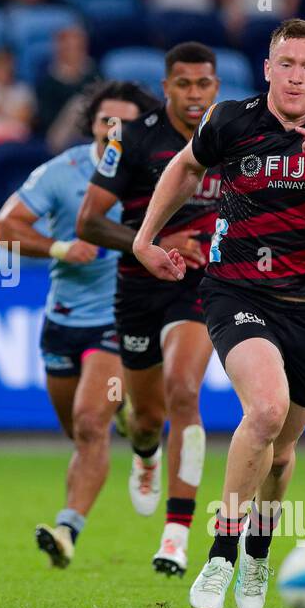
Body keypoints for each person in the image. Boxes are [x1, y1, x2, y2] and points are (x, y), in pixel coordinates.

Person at [131, 18, 305, 608]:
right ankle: (221, 553)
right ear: (267, 69)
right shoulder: (231, 119)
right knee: (264, 409)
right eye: (286, 64)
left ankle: (258, 551)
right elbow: (183, 168)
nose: (296, 77)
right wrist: (145, 238)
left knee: (281, 454)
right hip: (236, 292)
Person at [0, 80, 158, 567]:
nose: (115, 129)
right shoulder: (62, 173)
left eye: (125, 122)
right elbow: (4, 228)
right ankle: (141, 433)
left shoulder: (156, 174)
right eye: (107, 120)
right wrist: (61, 248)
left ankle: (67, 531)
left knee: (90, 422)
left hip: (120, 317)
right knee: (81, 431)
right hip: (63, 320)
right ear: (92, 123)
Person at [76, 42, 224, 576]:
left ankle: (176, 537)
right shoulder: (131, 138)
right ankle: (145, 453)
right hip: (139, 287)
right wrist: (154, 241)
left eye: (203, 83)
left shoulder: (233, 138)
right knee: (146, 419)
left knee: (185, 390)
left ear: (216, 87)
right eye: (182, 84)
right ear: (166, 88)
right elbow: (89, 223)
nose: (193, 93)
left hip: (202, 286)